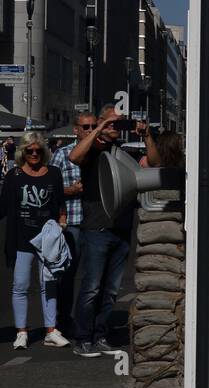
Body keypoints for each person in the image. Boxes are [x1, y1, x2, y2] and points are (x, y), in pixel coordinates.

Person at [69, 105, 136, 359]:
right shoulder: (94, 151)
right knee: (92, 287)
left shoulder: (123, 152)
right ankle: (83, 338)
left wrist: (147, 134)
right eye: (112, 124)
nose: (116, 128)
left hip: (121, 227)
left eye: (120, 124)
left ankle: (100, 334)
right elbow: (74, 157)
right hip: (97, 227)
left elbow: (153, 162)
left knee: (110, 290)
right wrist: (99, 128)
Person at [0, 132, 68, 349]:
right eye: (30, 150)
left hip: (47, 239)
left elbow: (60, 202)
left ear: (44, 152)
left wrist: (62, 221)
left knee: (48, 284)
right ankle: (21, 332)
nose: (34, 153)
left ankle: (51, 330)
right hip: (21, 238)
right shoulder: (14, 176)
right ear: (23, 152)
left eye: (38, 150)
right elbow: (3, 206)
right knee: (20, 285)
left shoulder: (54, 174)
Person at [50, 110, 95, 336]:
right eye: (85, 127)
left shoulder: (100, 154)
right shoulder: (62, 154)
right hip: (73, 223)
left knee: (93, 277)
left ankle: (87, 321)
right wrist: (72, 190)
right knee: (68, 275)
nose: (89, 131)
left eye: (92, 126)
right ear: (75, 130)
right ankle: (63, 319)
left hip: (96, 224)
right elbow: (51, 189)